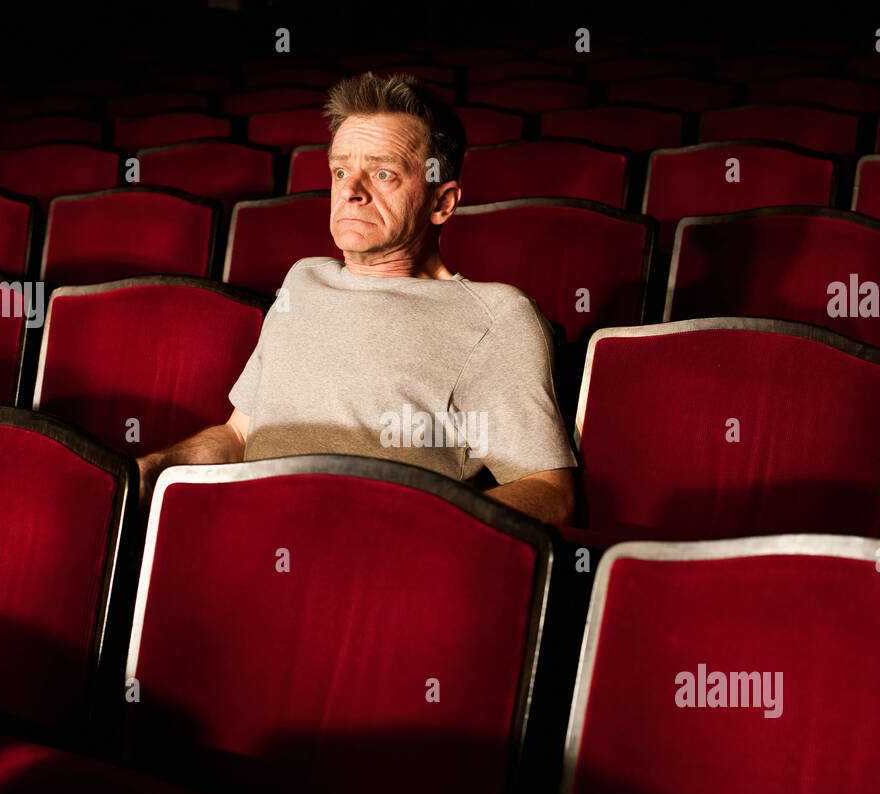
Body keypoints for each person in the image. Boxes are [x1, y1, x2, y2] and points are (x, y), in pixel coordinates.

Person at [136, 71, 576, 524]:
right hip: (242, 534)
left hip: (361, 566)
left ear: (441, 203)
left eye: (383, 173)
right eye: (341, 170)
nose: (350, 189)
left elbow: (548, 491)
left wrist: (414, 531)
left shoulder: (496, 316)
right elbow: (239, 435)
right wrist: (153, 470)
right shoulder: (303, 282)